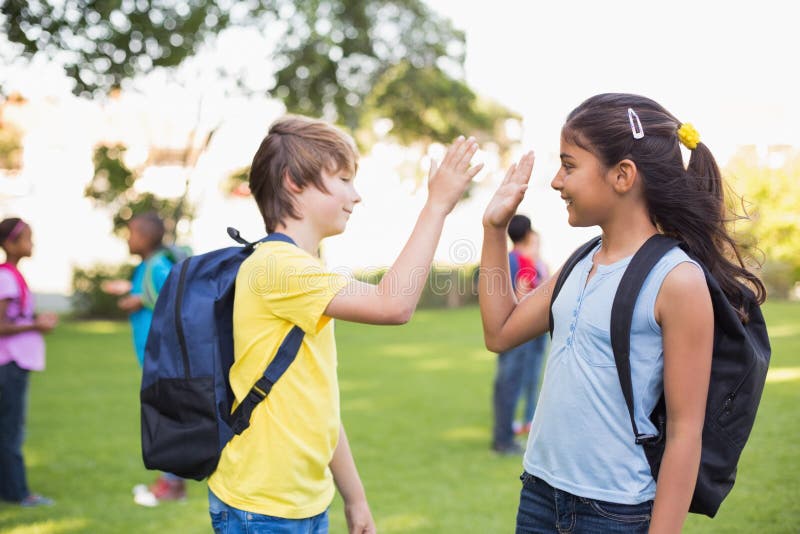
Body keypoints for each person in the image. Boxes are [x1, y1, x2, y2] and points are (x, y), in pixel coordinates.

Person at [480, 93, 765, 533]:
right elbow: (499, 333)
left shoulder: (677, 279)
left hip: (614, 512)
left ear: (622, 175)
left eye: (569, 165)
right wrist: (494, 229)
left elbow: (686, 434)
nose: (557, 181)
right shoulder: (579, 261)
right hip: (539, 494)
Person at [207, 116, 481, 534]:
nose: (356, 196)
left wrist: (354, 499)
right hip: (262, 510)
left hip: (302, 504)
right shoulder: (278, 268)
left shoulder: (303, 268)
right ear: (294, 181)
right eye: (343, 179)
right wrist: (437, 205)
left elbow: (319, 402)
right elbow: (394, 305)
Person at [101, 212, 185, 504]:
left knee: (165, 421)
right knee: (162, 419)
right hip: (153, 358)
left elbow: (175, 296)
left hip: (163, 358)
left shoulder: (157, 265)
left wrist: (139, 299)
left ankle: (171, 485)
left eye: (132, 233)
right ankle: (172, 483)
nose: (128, 238)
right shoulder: (146, 267)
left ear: (147, 237)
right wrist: (131, 294)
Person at [0, 217, 58, 507]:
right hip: (8, 363)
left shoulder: (13, 275)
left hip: (15, 363)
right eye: (27, 239)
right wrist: (36, 326)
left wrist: (36, 321)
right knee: (11, 428)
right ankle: (19, 493)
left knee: (9, 427)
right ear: (10, 243)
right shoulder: (6, 277)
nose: (31, 244)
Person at [490, 214, 540, 455]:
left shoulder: (503, 259)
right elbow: (522, 296)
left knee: (503, 385)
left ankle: (501, 436)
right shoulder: (523, 261)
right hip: (516, 331)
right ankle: (504, 441)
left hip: (499, 328)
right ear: (528, 234)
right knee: (510, 385)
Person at [512, 223, 549, 436]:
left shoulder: (541, 265)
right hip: (527, 326)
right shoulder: (523, 263)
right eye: (532, 243)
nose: (535, 247)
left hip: (540, 329)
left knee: (535, 376)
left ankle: (529, 419)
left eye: (537, 243)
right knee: (519, 375)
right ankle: (514, 420)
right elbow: (520, 295)